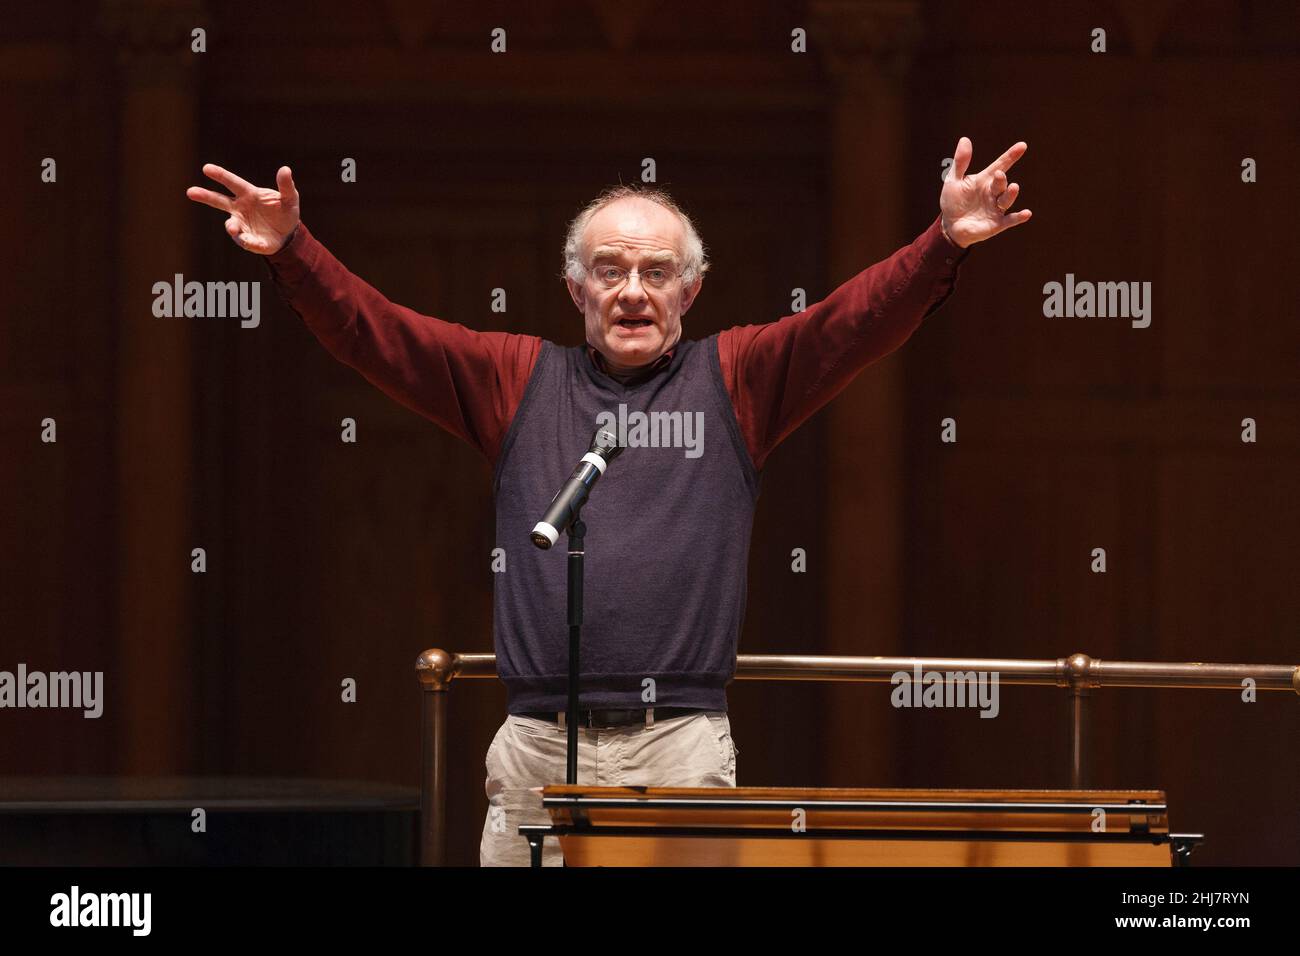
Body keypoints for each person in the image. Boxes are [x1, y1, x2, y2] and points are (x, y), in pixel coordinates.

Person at [186, 137, 1031, 866]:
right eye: (611, 270)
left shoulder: (736, 377)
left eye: (657, 272)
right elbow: (380, 333)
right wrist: (292, 249)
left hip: (681, 744)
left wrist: (944, 242)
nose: (634, 289)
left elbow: (852, 322)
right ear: (576, 288)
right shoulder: (515, 379)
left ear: (690, 292)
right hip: (538, 746)